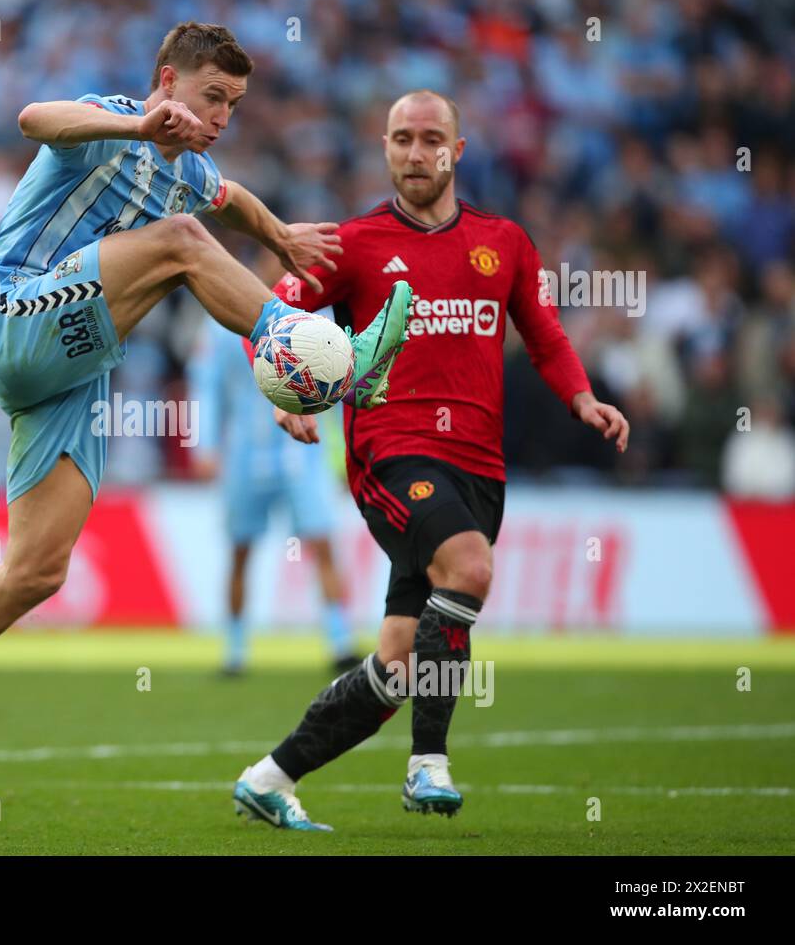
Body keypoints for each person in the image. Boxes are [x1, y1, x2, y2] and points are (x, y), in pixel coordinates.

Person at [0, 22, 410, 808]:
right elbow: (33, 119)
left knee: (37, 570)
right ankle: (320, 355)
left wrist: (280, 236)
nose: (221, 116)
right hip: (16, 314)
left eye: (234, 104)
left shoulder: (191, 171)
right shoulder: (111, 123)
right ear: (168, 81)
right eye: (212, 96)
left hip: (72, 370)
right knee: (180, 242)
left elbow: (230, 198)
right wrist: (136, 125)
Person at [232, 89, 630, 830]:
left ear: (457, 150)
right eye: (401, 139)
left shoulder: (504, 242)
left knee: (397, 665)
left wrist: (582, 398)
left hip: (480, 467)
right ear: (384, 147)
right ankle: (428, 764)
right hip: (391, 454)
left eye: (430, 139)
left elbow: (544, 335)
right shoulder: (352, 244)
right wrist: (282, 393)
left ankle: (270, 777)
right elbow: (267, 313)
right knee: (470, 568)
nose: (416, 153)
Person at [189, 316, 361, 674]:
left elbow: (337, 386)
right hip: (245, 452)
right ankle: (235, 650)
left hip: (303, 451)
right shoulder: (221, 322)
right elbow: (207, 384)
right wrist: (205, 445)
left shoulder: (313, 317)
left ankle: (340, 642)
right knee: (240, 550)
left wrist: (344, 454)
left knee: (322, 542)